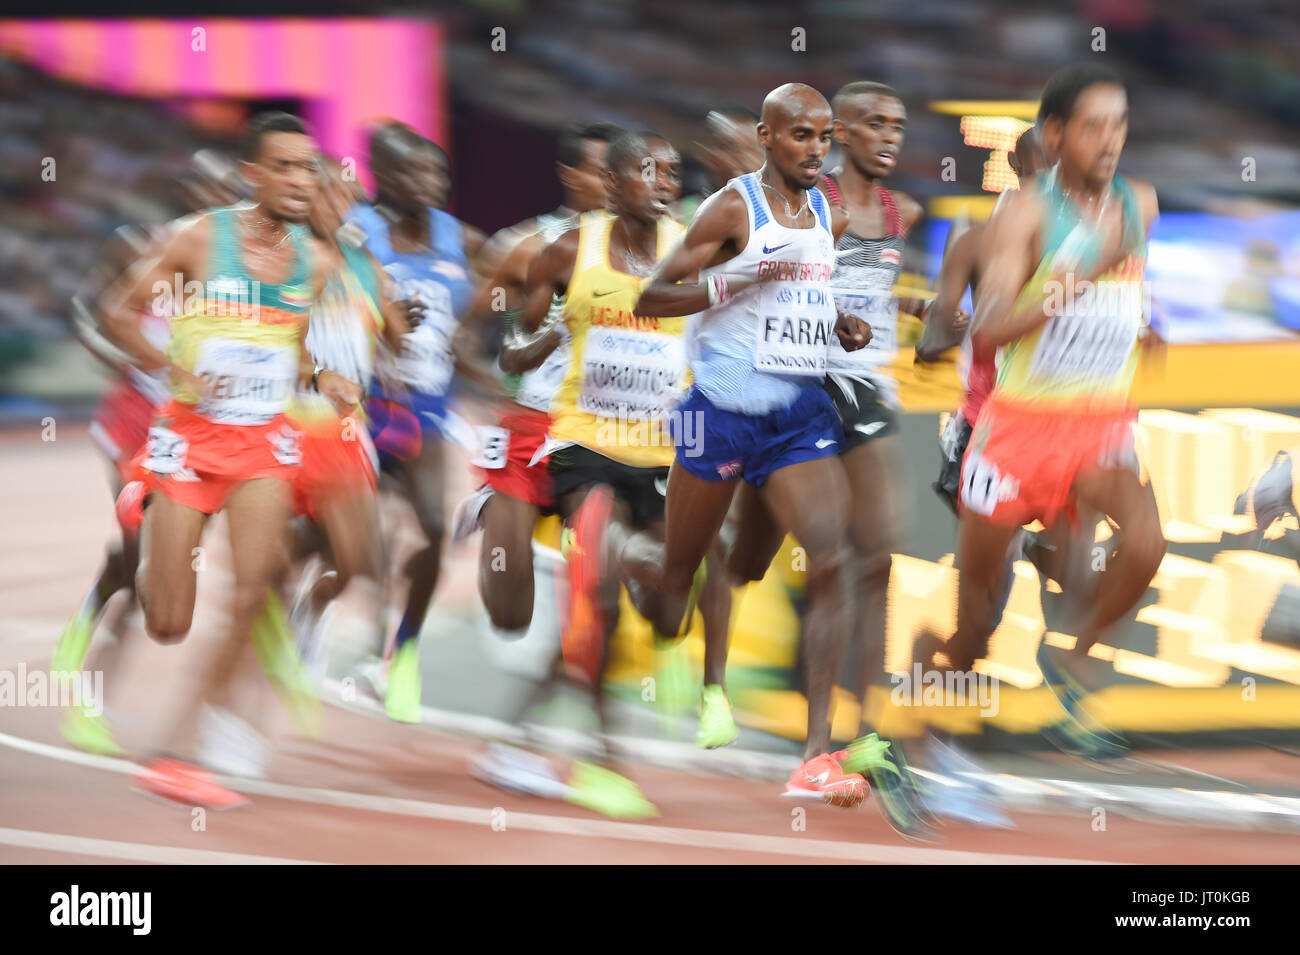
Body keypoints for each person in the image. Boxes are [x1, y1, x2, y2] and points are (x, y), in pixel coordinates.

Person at [633, 85, 905, 817]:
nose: (816, 150)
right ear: (767, 137)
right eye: (800, 137)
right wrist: (742, 276)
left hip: (794, 413)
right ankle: (639, 567)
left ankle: (814, 755)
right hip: (717, 412)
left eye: (823, 138)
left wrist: (841, 322)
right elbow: (653, 298)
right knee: (675, 586)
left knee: (830, 560)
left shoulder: (827, 211)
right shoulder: (730, 209)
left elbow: (807, 294)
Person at [99, 112, 363, 807]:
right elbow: (119, 313)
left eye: (309, 167)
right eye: (284, 167)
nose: (301, 180)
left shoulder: (320, 262)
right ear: (253, 175)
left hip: (261, 445)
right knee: (168, 621)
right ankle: (146, 498)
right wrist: (171, 361)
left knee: (257, 586)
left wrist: (324, 377)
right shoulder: (198, 238)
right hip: (188, 438)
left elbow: (294, 344)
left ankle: (179, 752)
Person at [933, 64, 1164, 758]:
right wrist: (1072, 283)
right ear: (1055, 134)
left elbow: (1133, 288)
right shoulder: (1025, 212)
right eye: (1095, 125)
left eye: (1120, 124)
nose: (1112, 140)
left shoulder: (1141, 202)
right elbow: (989, 329)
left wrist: (1147, 322)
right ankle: (939, 713)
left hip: (1098, 423)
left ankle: (1073, 655)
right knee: (977, 617)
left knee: (1147, 544)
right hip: (1018, 430)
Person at [509, 130, 695, 818]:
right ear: (612, 186)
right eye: (647, 170)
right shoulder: (567, 251)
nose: (663, 180)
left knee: (668, 606)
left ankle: (657, 615)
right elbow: (517, 345)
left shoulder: (696, 245)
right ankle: (603, 756)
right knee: (601, 590)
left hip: (667, 454)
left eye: (672, 170)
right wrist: (537, 342)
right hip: (585, 446)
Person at [350, 122, 489, 723]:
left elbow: (517, 272)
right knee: (346, 539)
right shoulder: (358, 232)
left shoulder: (459, 238)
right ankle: (314, 604)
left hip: (428, 409)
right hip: (357, 405)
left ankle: (399, 653)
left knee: (433, 528)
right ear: (383, 177)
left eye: (436, 173)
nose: (428, 184)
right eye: (413, 173)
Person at [284, 158, 411, 674]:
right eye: (329, 195)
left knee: (357, 560)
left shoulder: (365, 264)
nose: (340, 207)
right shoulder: (284, 256)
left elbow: (396, 333)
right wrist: (317, 374)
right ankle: (264, 628)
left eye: (349, 199)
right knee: (272, 555)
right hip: (283, 424)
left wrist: (406, 318)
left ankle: (309, 606)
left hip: (342, 430)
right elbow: (271, 338)